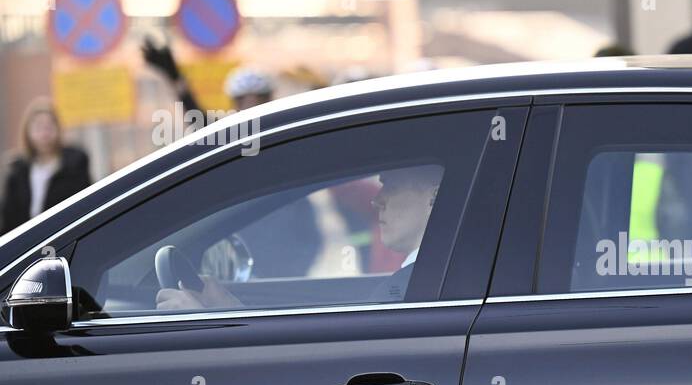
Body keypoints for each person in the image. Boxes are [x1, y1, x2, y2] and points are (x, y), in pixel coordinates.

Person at [156, 164, 441, 311]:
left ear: (434, 196)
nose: (376, 201)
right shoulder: (427, 281)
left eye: (389, 186)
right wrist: (226, 308)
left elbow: (335, 366)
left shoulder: (417, 287)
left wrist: (207, 326)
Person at [2, 99, 92, 234]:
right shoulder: (17, 171)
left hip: (64, 236)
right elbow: (8, 219)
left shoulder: (75, 164)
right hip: (26, 243)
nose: (44, 133)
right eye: (38, 127)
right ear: (27, 132)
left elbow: (83, 206)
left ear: (58, 129)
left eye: (49, 127)